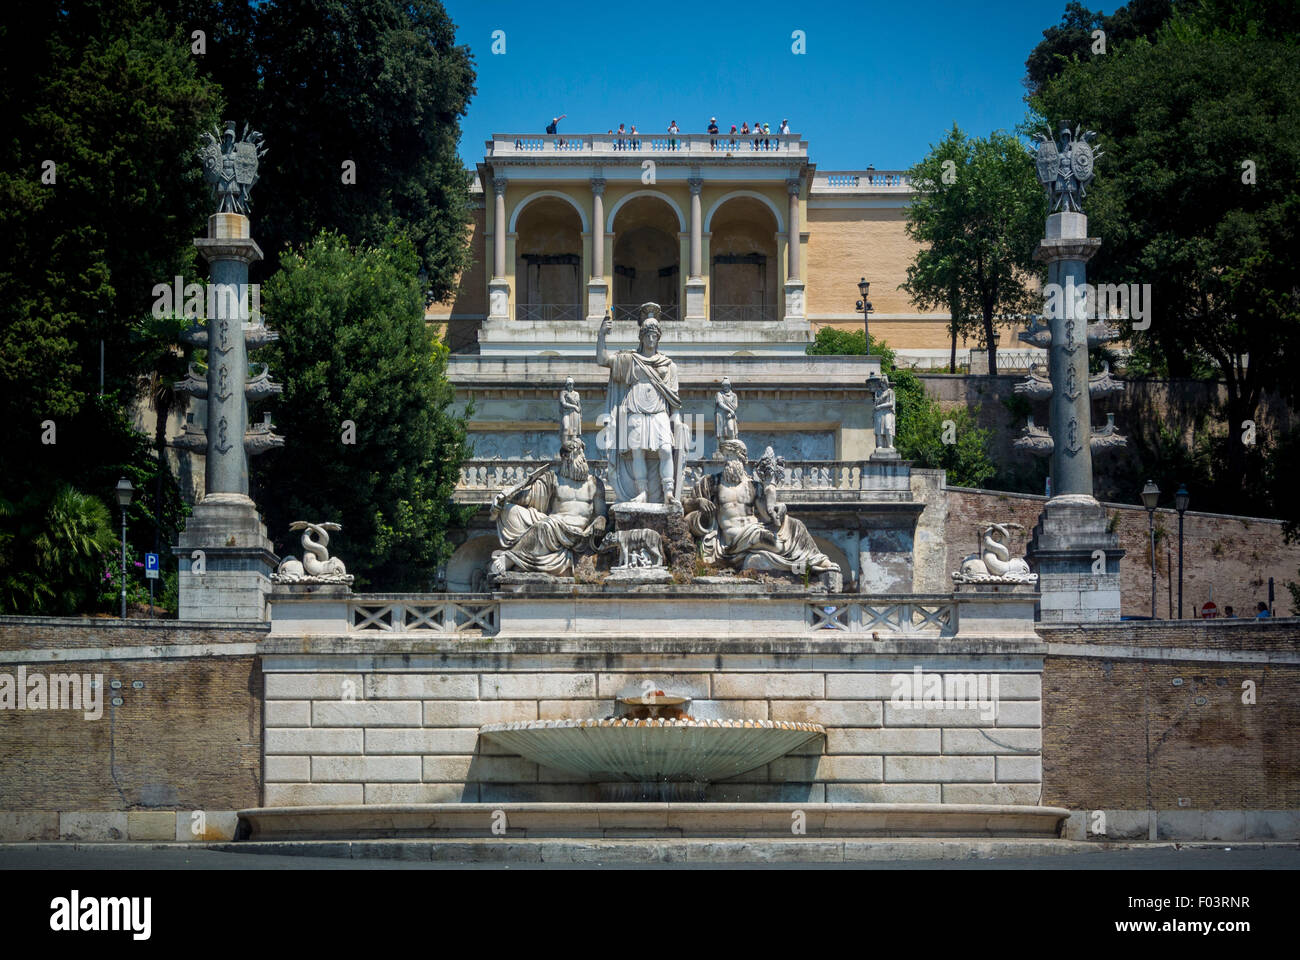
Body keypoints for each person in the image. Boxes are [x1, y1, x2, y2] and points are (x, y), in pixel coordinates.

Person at [597, 305, 683, 503]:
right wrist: (601, 335)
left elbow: (674, 397)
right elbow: (602, 359)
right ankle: (642, 492)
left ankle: (668, 492)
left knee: (665, 449)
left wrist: (676, 420)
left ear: (658, 338)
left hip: (659, 409)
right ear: (642, 338)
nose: (651, 340)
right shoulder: (631, 360)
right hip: (634, 408)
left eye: (655, 336)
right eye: (648, 336)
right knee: (637, 452)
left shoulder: (669, 365)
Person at [488, 438, 607, 577]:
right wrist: (504, 498)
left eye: (582, 453)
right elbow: (528, 497)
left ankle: (509, 559)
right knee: (509, 511)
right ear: (565, 457)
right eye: (577, 453)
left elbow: (602, 514)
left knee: (544, 526)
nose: (582, 458)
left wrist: (601, 520)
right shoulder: (553, 478)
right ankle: (524, 555)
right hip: (554, 524)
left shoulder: (594, 483)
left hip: (577, 534)